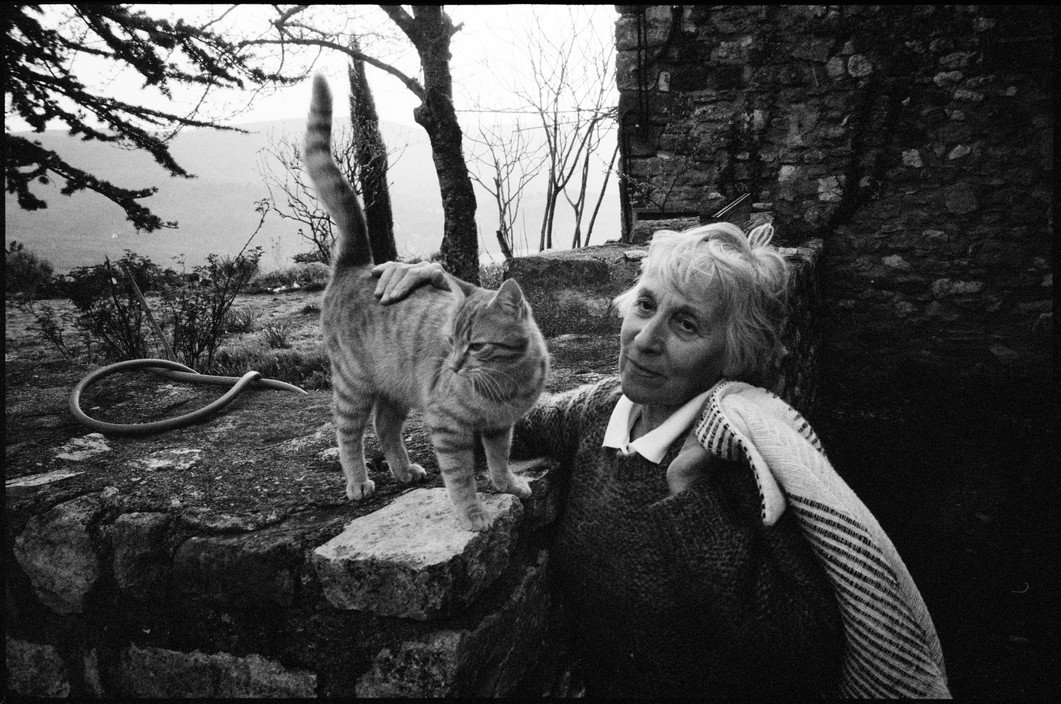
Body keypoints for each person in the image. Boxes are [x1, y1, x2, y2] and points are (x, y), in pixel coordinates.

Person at [371, 223, 845, 698]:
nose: (644, 340)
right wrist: (435, 292)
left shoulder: (745, 458)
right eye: (645, 305)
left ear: (735, 356)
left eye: (686, 324)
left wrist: (691, 494)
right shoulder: (601, 411)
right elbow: (496, 423)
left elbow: (810, 649)